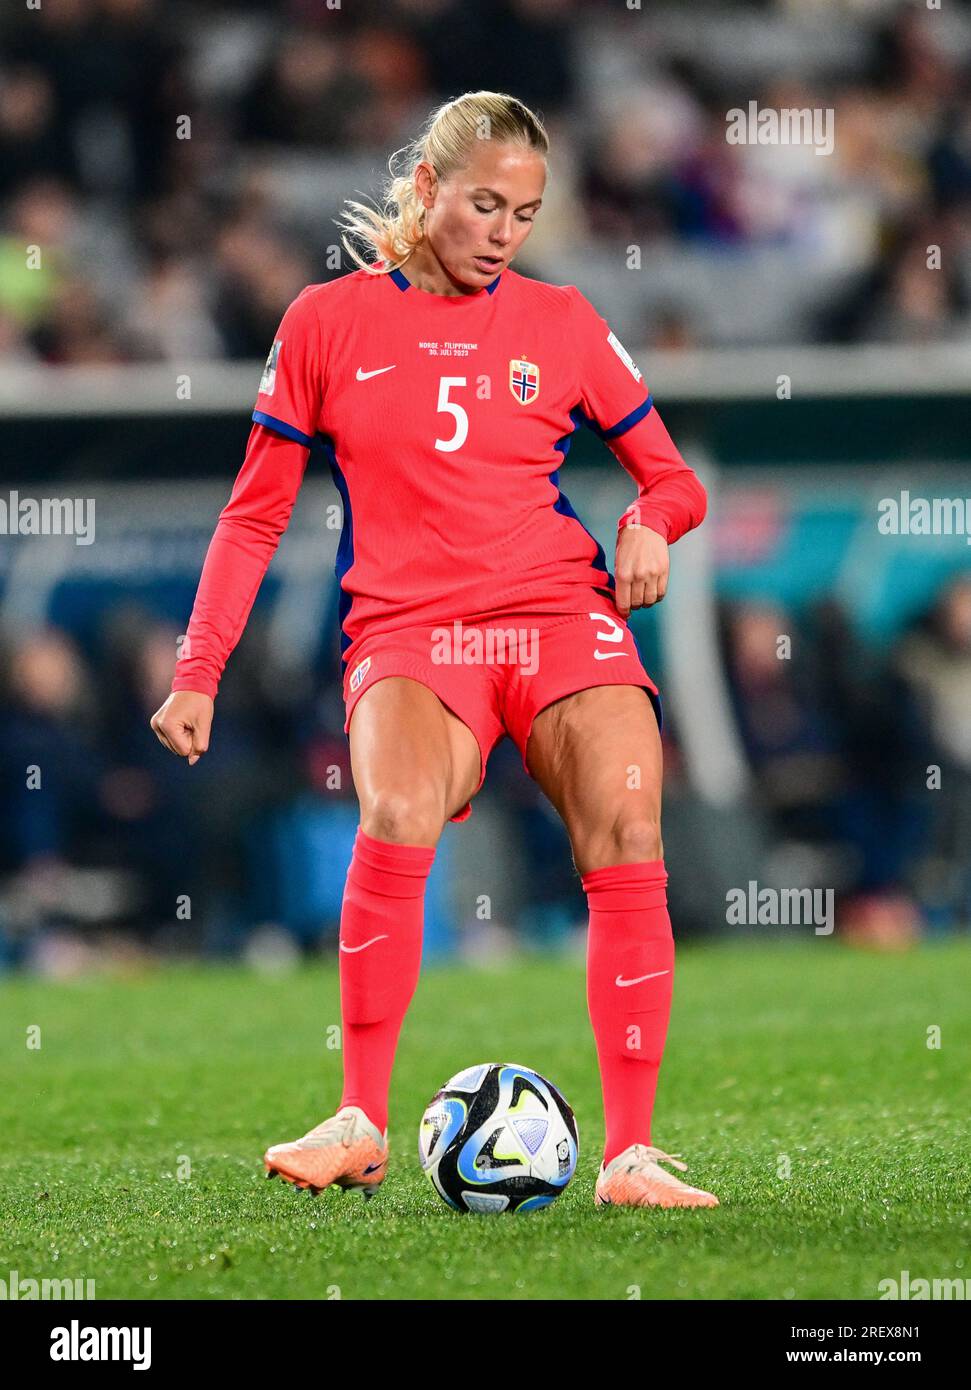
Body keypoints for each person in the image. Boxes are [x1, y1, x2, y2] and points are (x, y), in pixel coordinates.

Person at [150, 91, 716, 1210]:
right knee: (397, 811)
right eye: (485, 204)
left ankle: (630, 1155)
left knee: (630, 820)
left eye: (525, 213)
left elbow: (672, 477)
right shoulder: (322, 323)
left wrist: (650, 524)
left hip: (556, 611)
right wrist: (198, 669)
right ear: (425, 191)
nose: (504, 232)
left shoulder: (558, 322)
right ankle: (359, 1115)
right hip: (413, 629)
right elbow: (254, 513)